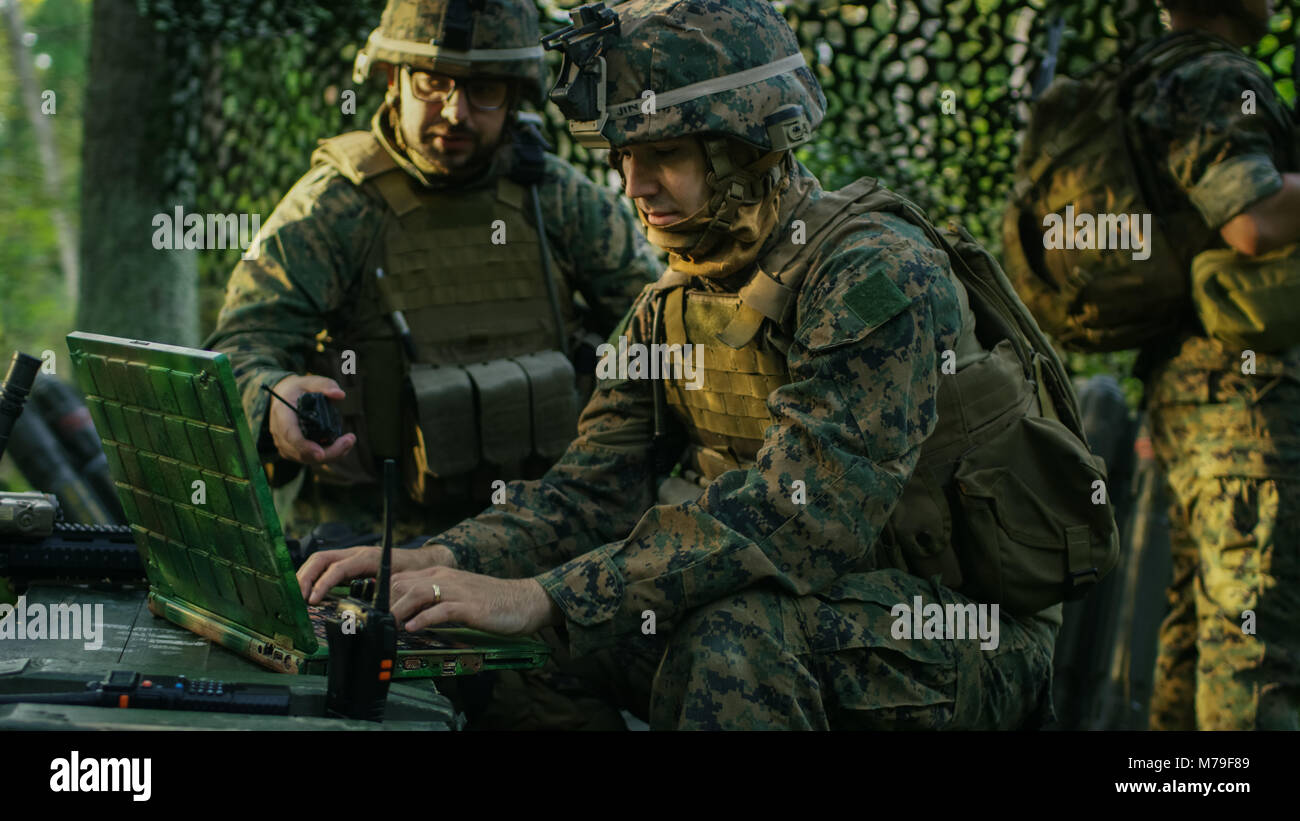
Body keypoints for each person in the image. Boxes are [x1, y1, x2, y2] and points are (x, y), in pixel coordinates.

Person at [298, 0, 1079, 730]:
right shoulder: (675, 301)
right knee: (493, 642)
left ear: (747, 147)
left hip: (958, 629)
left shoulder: (875, 276)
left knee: (732, 643)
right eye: (627, 156)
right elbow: (588, 495)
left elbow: (801, 517)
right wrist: (447, 560)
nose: (635, 186)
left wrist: (545, 593)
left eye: (664, 155)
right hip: (810, 605)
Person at [205, 0, 661, 542]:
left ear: (516, 96)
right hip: (370, 552)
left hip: (540, 542)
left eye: (482, 89)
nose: (454, 112)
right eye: (431, 82)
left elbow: (659, 325)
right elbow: (239, 348)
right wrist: (275, 395)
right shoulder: (333, 210)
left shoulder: (559, 203)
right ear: (393, 80)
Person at [1136, 0, 1300, 730]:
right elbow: (1252, 217)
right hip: (1242, 398)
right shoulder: (1210, 71)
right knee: (1251, 653)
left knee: (1197, 641)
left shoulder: (1157, 73)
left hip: (1196, 396)